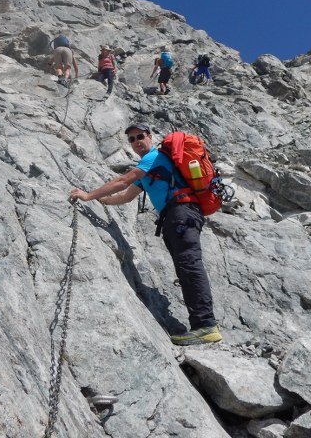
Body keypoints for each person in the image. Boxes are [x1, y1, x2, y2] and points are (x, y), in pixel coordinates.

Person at [70, 122, 222, 346]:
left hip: (181, 212)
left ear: (150, 137)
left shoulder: (154, 158)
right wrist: (101, 201)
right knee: (185, 264)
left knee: (189, 264)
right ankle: (202, 325)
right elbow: (126, 196)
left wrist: (88, 195)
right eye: (131, 139)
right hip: (176, 215)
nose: (136, 142)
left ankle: (205, 325)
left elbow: (123, 180)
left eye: (139, 136)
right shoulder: (149, 169)